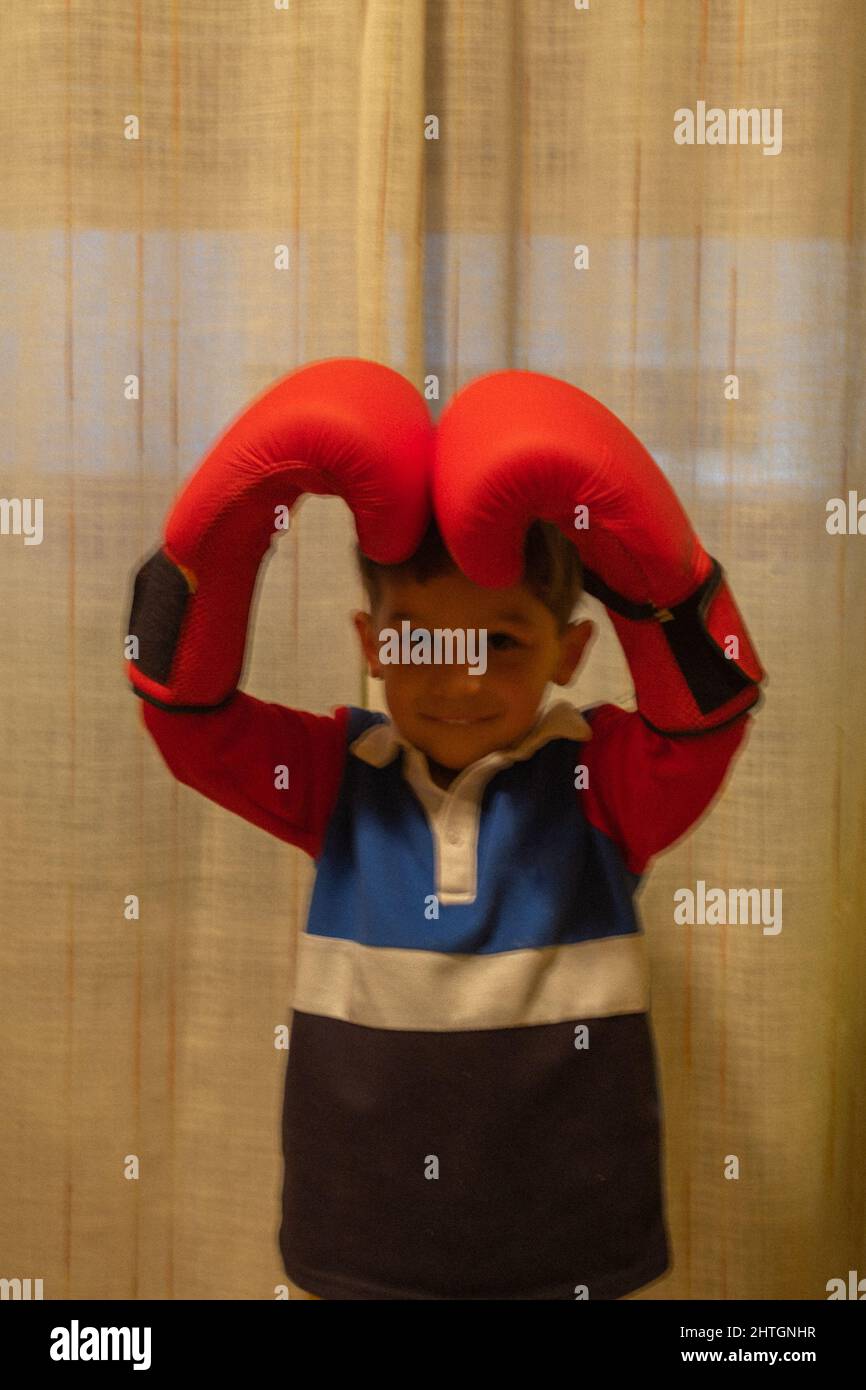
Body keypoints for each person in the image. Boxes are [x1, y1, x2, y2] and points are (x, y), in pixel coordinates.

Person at [126, 358, 764, 1300]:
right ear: (371, 645)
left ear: (570, 651)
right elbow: (190, 722)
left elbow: (706, 714)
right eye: (419, 638)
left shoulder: (601, 777)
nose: (457, 677)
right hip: (362, 1244)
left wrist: (662, 579)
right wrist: (207, 554)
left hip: (569, 1247)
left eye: (500, 641)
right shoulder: (341, 773)